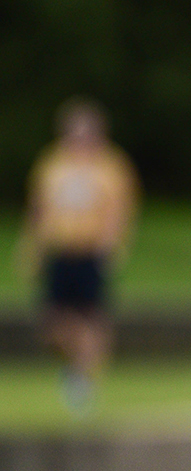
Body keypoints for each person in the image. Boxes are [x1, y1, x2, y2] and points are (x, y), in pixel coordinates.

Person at [18, 98, 139, 414]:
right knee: (52, 325)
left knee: (91, 317)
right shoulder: (52, 164)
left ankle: (84, 379)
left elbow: (120, 210)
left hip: (91, 251)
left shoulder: (111, 166)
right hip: (61, 250)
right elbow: (39, 209)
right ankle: (76, 365)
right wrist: (31, 248)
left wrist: (112, 246)